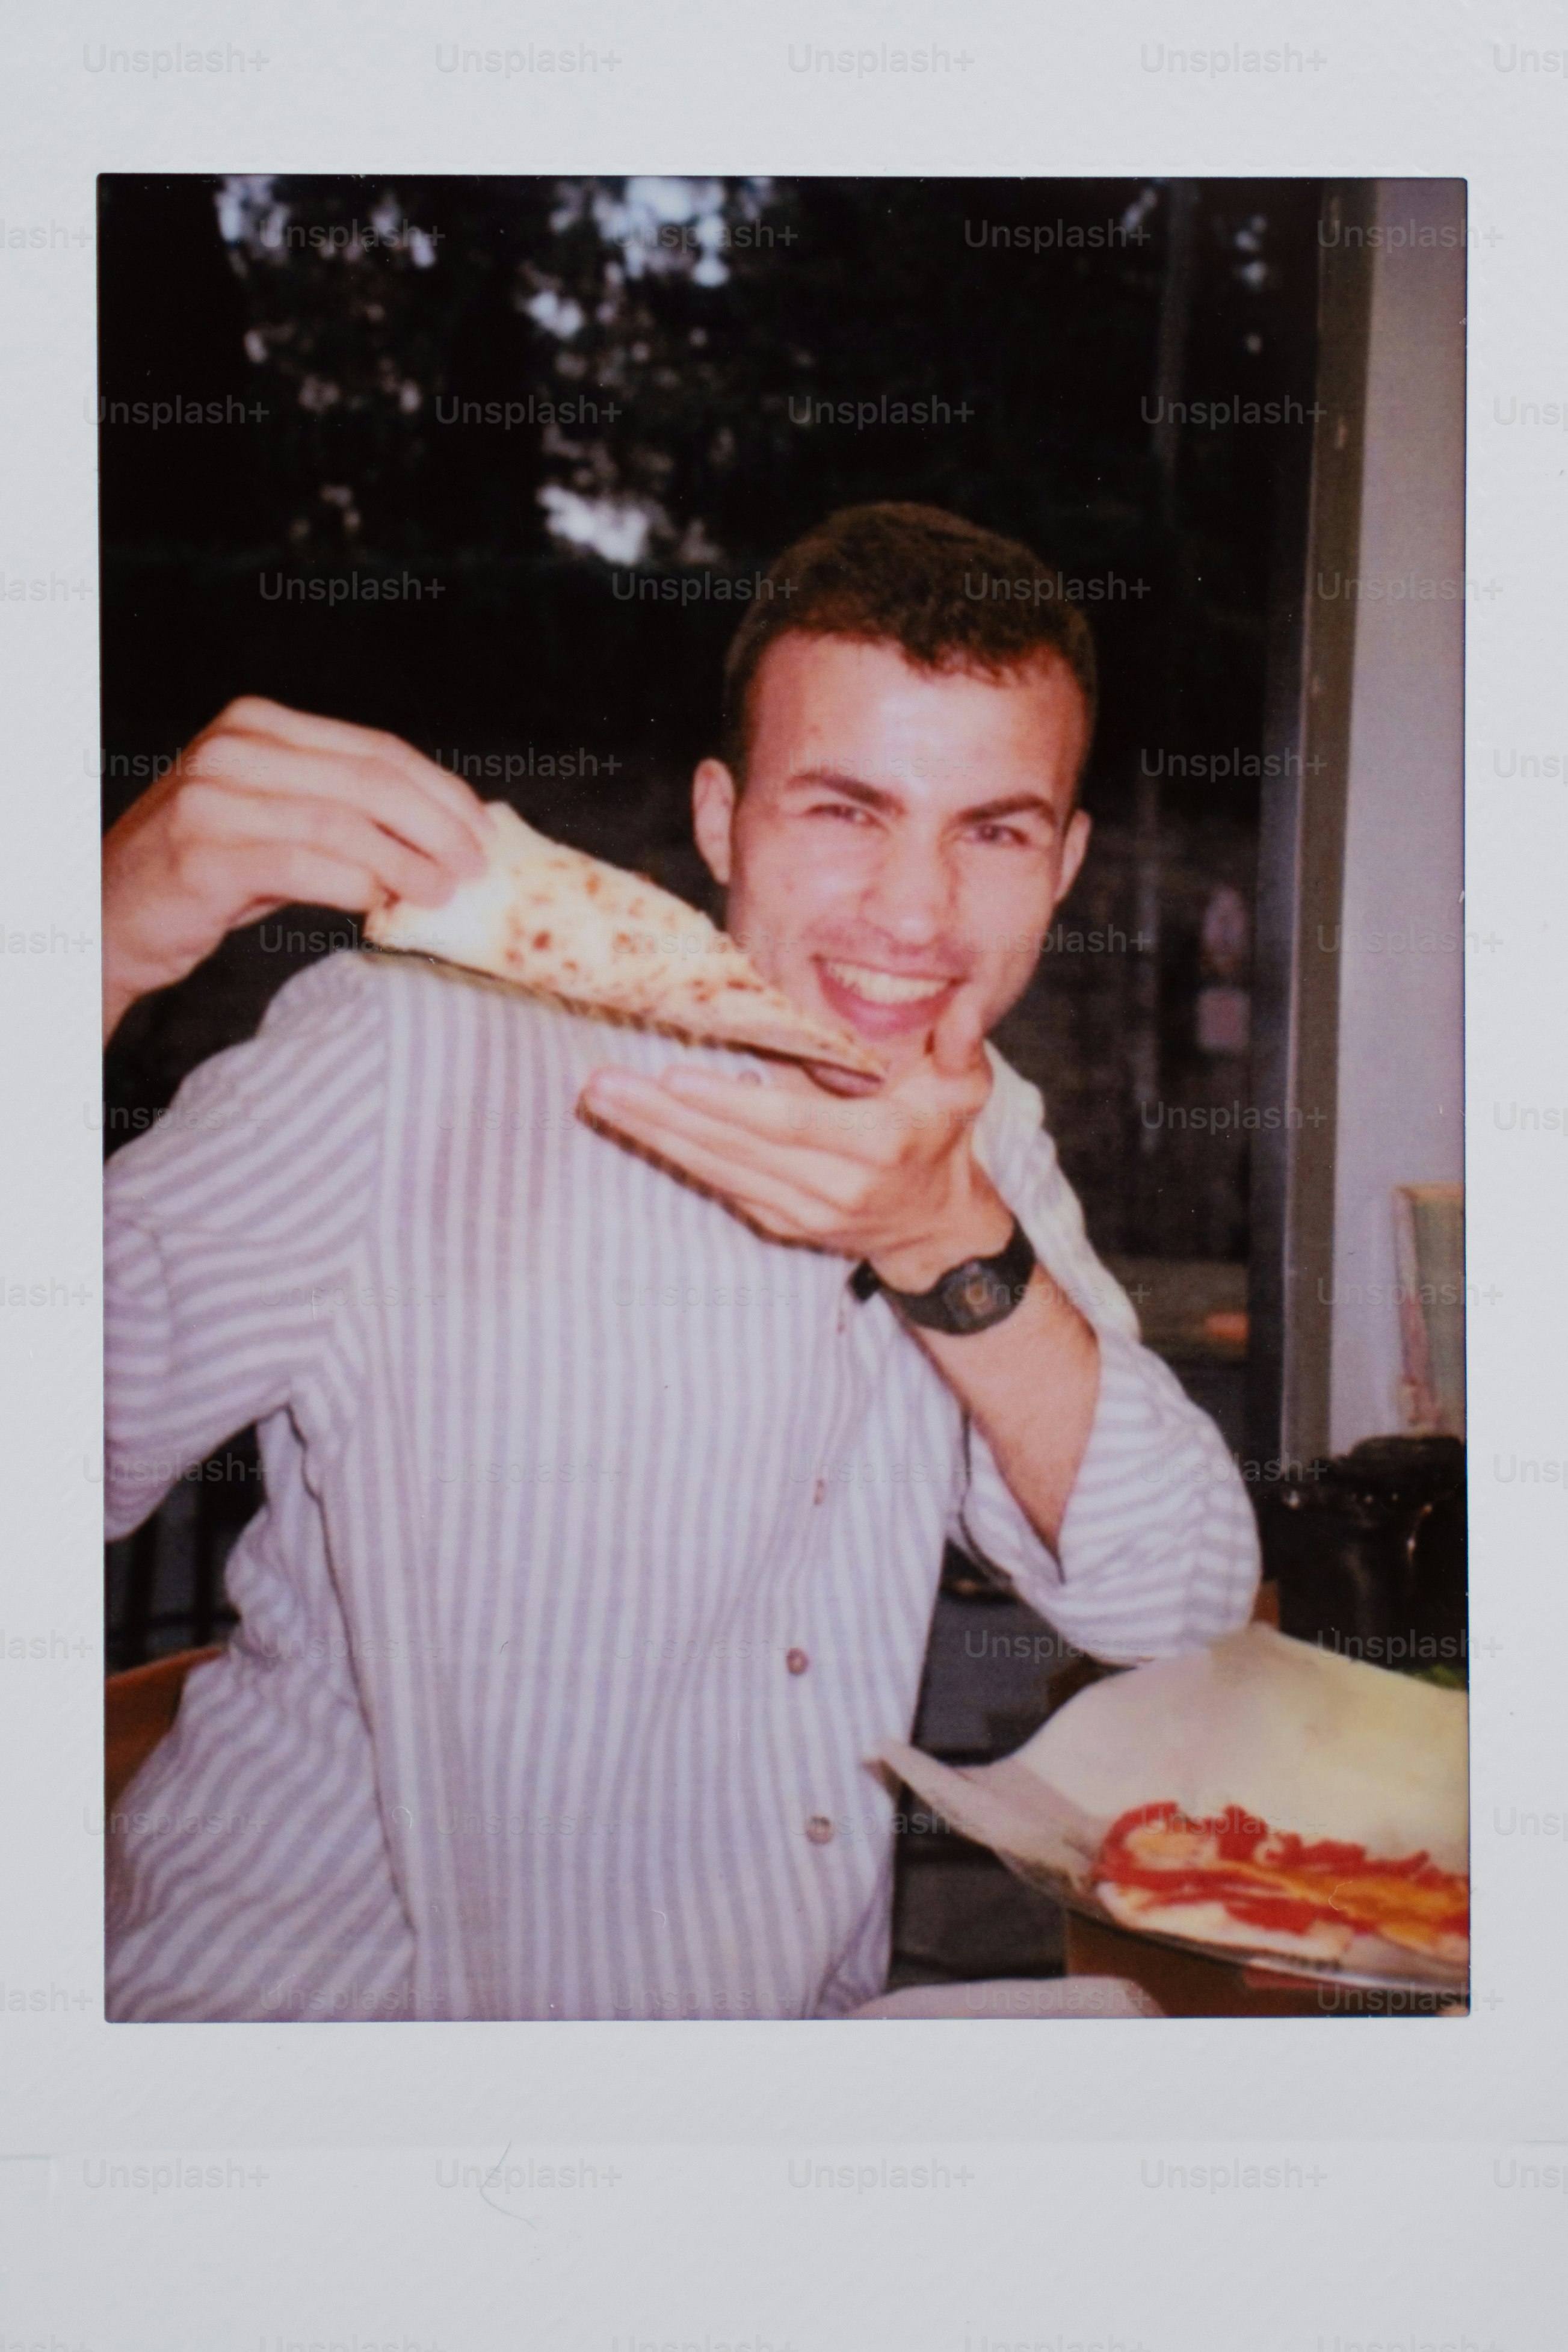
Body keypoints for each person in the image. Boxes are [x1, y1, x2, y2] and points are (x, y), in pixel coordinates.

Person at [102, 502, 1258, 2021]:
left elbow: (1182, 1604)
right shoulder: (406, 1051)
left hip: (762, 2052)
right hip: (327, 2044)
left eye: (992, 830)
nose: (915, 912)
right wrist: (89, 951)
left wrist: (944, 1241)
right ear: (722, 818)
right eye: (843, 809)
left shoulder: (979, 1128)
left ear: (1065, 863)